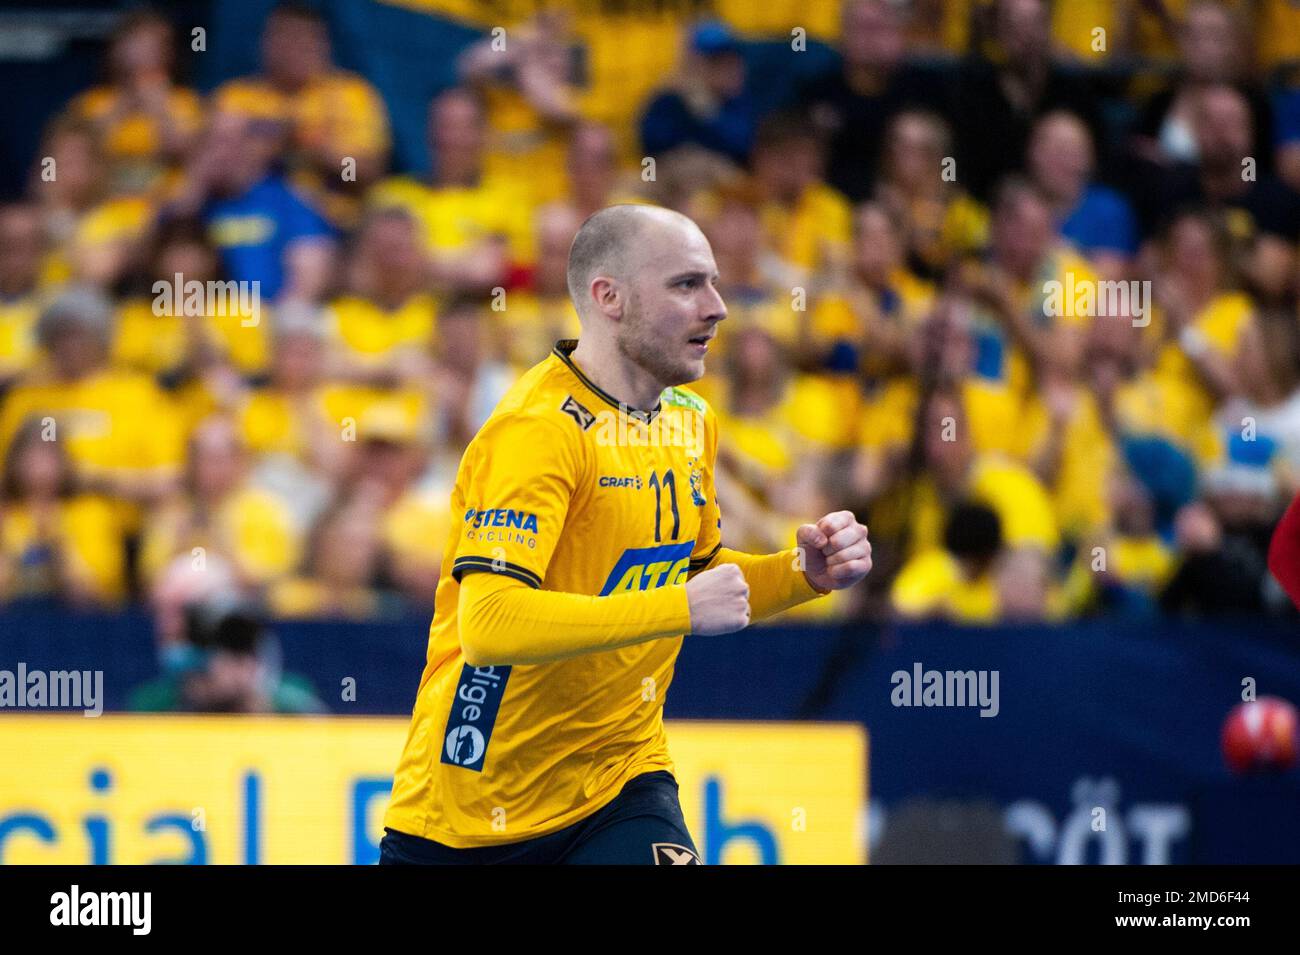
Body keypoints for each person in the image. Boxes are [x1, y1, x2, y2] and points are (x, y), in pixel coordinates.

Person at [380, 204, 872, 865]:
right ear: (608, 298)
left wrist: (801, 573)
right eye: (687, 284)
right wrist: (679, 610)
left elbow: (694, 574)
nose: (718, 306)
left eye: (715, 283)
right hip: (473, 811)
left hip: (621, 776)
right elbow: (489, 622)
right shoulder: (538, 430)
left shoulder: (690, 420)